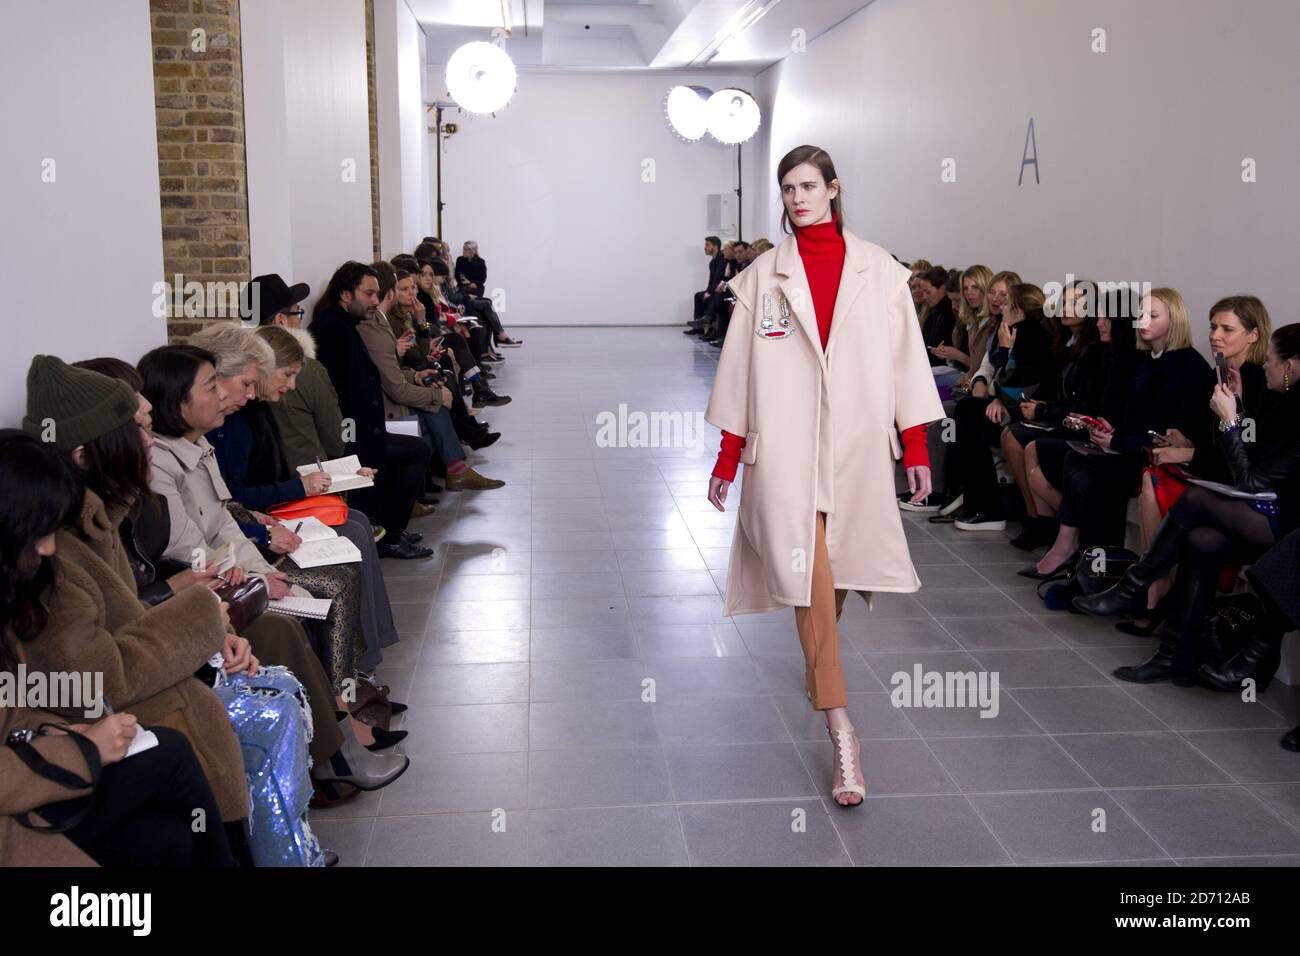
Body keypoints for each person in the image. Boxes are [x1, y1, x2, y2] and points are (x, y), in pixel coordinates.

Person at [705, 144, 944, 808]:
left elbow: (906, 368)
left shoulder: (882, 274)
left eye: (808, 185)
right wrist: (728, 458)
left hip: (856, 453)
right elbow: (739, 375)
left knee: (827, 584)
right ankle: (843, 731)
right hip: (783, 456)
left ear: (834, 189)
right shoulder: (760, 279)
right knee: (806, 570)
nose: (798, 198)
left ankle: (820, 673)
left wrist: (917, 448)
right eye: (787, 189)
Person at [76, 356, 408, 806]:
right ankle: (336, 746)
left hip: (212, 583)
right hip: (189, 601)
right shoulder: (151, 473)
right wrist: (231, 581)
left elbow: (224, 524)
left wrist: (264, 573)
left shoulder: (195, 448)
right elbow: (186, 548)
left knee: (343, 547)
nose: (232, 397)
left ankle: (345, 718)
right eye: (215, 387)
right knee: (293, 613)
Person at [0, 429, 236, 867]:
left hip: (36, 767)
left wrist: (48, 728)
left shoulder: (86, 536)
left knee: (168, 839)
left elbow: (11, 699)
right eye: (137, 427)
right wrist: (82, 748)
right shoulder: (58, 567)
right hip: (19, 802)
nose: (150, 441)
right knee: (168, 752)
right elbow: (98, 676)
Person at [1074, 324, 1300, 687]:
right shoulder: (1282, 399)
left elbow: (1250, 480)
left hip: (1289, 526)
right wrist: (1239, 408)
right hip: (1266, 509)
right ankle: (1173, 656)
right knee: (1201, 541)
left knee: (1193, 500)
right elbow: (1252, 458)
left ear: (1290, 366)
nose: (1268, 366)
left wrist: (1228, 421)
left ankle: (1133, 586)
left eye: (1273, 361)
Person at [309, 261, 434, 558]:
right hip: (353, 437)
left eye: (378, 294)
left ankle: (390, 531)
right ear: (345, 294)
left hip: (364, 431)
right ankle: (388, 535)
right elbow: (335, 394)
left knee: (414, 451)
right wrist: (351, 440)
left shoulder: (343, 325)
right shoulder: (333, 330)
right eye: (369, 294)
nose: (376, 301)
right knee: (416, 452)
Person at [685, 235, 727, 335]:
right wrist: (708, 291)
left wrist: (710, 292)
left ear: (715, 246)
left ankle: (706, 321)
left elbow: (720, 280)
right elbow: (711, 281)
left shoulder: (723, 259)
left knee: (712, 296)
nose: (704, 247)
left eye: (707, 245)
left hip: (722, 290)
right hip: (715, 289)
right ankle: (699, 326)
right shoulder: (712, 263)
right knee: (698, 296)